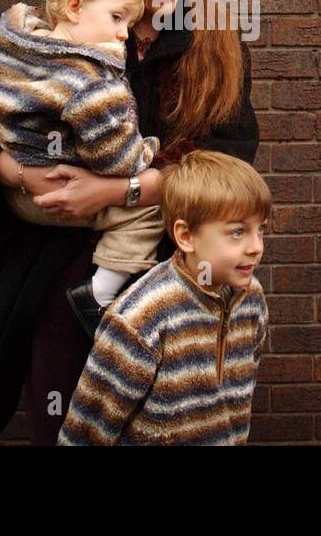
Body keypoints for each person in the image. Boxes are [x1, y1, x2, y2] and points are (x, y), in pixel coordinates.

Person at [0, 0, 259, 446]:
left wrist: (117, 191)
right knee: (65, 427)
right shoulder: (67, 21)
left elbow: (230, 152)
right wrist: (15, 171)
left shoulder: (216, 40)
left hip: (171, 273)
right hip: (53, 272)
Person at [0, 0, 165, 336]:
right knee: (149, 212)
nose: (124, 33)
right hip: (61, 194)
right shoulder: (89, 81)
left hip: (15, 197)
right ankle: (98, 294)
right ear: (74, 7)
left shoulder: (5, 44)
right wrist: (148, 151)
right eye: (117, 18)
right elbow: (116, 159)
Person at [58, 150, 270, 445]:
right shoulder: (140, 318)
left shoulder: (251, 301)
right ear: (185, 236)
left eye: (260, 230)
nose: (256, 246)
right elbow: (85, 431)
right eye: (237, 232)